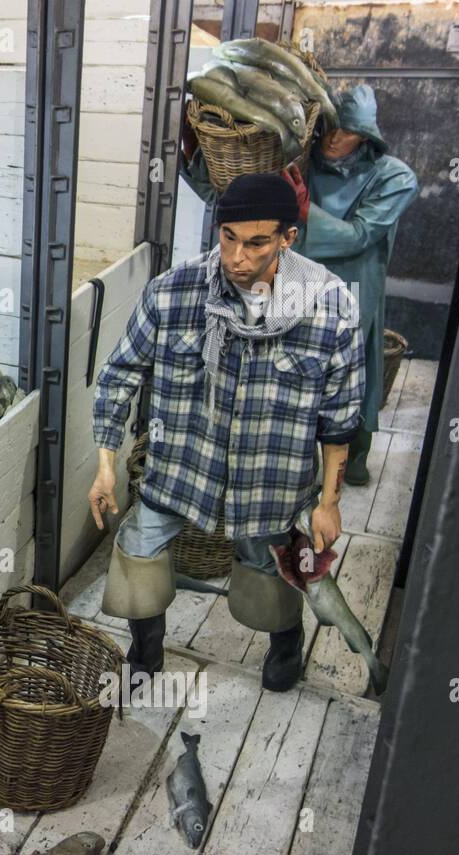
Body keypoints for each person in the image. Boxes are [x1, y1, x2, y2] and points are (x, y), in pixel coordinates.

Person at [88, 173, 364, 693]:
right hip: (182, 466)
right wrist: (106, 462)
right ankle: (146, 649)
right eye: (228, 237)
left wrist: (328, 501)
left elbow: (341, 416)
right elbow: (120, 373)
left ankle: (285, 644)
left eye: (256, 242)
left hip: (269, 482)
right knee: (136, 554)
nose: (237, 257)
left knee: (269, 571)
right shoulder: (174, 292)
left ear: (288, 238)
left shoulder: (330, 309)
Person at [182, 84, 419, 484]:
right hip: (285, 282)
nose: (334, 139)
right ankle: (280, 461)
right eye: (328, 128)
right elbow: (229, 199)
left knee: (343, 373)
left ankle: (347, 460)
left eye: (346, 132)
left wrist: (306, 207)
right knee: (280, 369)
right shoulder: (298, 163)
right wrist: (194, 154)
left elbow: (359, 236)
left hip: (349, 287)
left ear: (366, 136)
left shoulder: (393, 177)